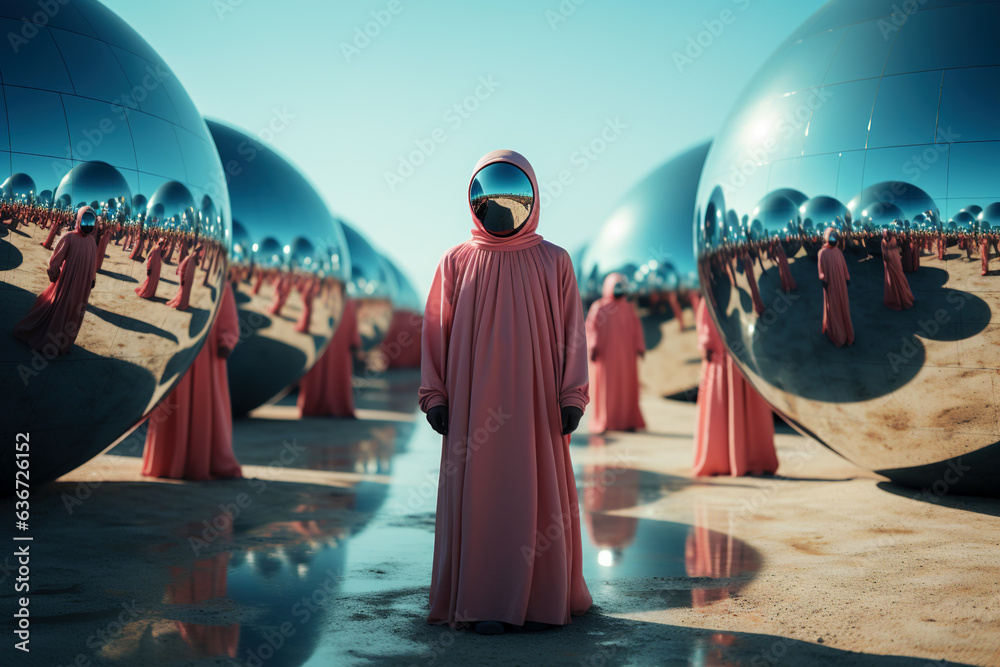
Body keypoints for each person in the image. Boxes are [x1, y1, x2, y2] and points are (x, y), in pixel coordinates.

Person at [420, 150, 591, 634]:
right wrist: (435, 395)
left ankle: (540, 599)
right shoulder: (455, 261)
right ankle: (484, 601)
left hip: (537, 406)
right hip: (472, 408)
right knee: (483, 496)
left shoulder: (554, 260)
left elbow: (572, 332)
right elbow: (436, 330)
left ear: (533, 195)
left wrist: (571, 395)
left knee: (533, 493)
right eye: (487, 192)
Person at [142, 281, 242, 480]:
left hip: (203, 349)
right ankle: (172, 462)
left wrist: (225, 341)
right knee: (180, 397)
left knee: (195, 398)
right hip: (183, 345)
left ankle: (174, 462)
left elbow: (228, 319)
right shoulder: (212, 281)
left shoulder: (220, 284)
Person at [692, 300, 777, 477]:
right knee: (720, 408)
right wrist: (707, 343)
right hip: (720, 361)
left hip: (745, 359)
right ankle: (722, 460)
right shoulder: (711, 294)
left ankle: (751, 459)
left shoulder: (744, 291)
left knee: (748, 409)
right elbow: (705, 322)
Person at [14, 207, 98, 354]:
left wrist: (92, 279)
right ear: (78, 219)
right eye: (85, 220)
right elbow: (55, 260)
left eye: (91, 221)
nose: (88, 224)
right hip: (67, 283)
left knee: (73, 311)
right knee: (60, 308)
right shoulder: (69, 237)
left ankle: (61, 343)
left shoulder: (92, 241)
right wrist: (55, 275)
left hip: (83, 286)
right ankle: (47, 340)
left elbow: (93, 263)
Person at [586, 273, 645, 434]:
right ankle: (606, 421)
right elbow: (591, 329)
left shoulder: (628, 308)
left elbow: (636, 329)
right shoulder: (600, 307)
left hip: (626, 357)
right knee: (607, 388)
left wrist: (639, 347)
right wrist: (592, 347)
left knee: (627, 387)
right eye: (616, 286)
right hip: (606, 357)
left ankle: (628, 421)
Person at [297, 295, 361, 418]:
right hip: (336, 347)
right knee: (333, 373)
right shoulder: (347, 302)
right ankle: (332, 406)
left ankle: (313, 406)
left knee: (320, 373)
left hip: (323, 343)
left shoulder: (318, 297)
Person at [817, 228, 854, 347]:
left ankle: (841, 335)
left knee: (838, 308)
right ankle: (842, 335)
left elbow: (843, 266)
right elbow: (822, 271)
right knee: (837, 308)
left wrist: (846, 278)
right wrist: (825, 281)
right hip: (833, 286)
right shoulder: (824, 253)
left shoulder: (834, 252)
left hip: (836, 285)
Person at [881, 230, 914, 311]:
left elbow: (889, 248)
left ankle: (900, 298)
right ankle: (895, 298)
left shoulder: (891, 239)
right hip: (890, 260)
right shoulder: (886, 240)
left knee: (897, 275)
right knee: (892, 277)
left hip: (893, 259)